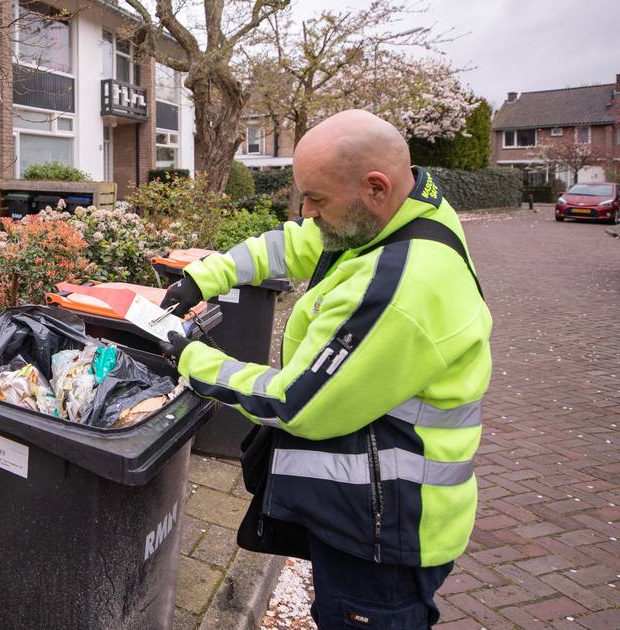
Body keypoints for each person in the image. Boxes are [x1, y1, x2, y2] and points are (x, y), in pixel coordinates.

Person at [159, 109, 491, 629]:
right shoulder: (395, 217)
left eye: (316, 199)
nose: (305, 211)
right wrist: (205, 277)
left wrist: (192, 359)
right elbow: (294, 243)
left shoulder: (399, 286)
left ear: (375, 187)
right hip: (374, 508)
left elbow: (297, 402)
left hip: (385, 535)